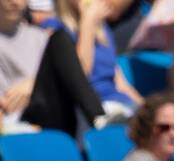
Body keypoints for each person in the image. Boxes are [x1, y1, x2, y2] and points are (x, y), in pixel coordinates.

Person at [0, 0, 102, 136]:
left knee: (60, 38)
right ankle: (98, 119)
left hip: (52, 115)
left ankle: (99, 119)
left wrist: (31, 86)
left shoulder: (41, 36)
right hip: (18, 122)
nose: (14, 2)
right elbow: (7, 103)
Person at [49, 0, 140, 120]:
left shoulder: (103, 30)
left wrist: (146, 108)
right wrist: (88, 24)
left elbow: (121, 83)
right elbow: (80, 77)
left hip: (119, 104)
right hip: (90, 108)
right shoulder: (56, 30)